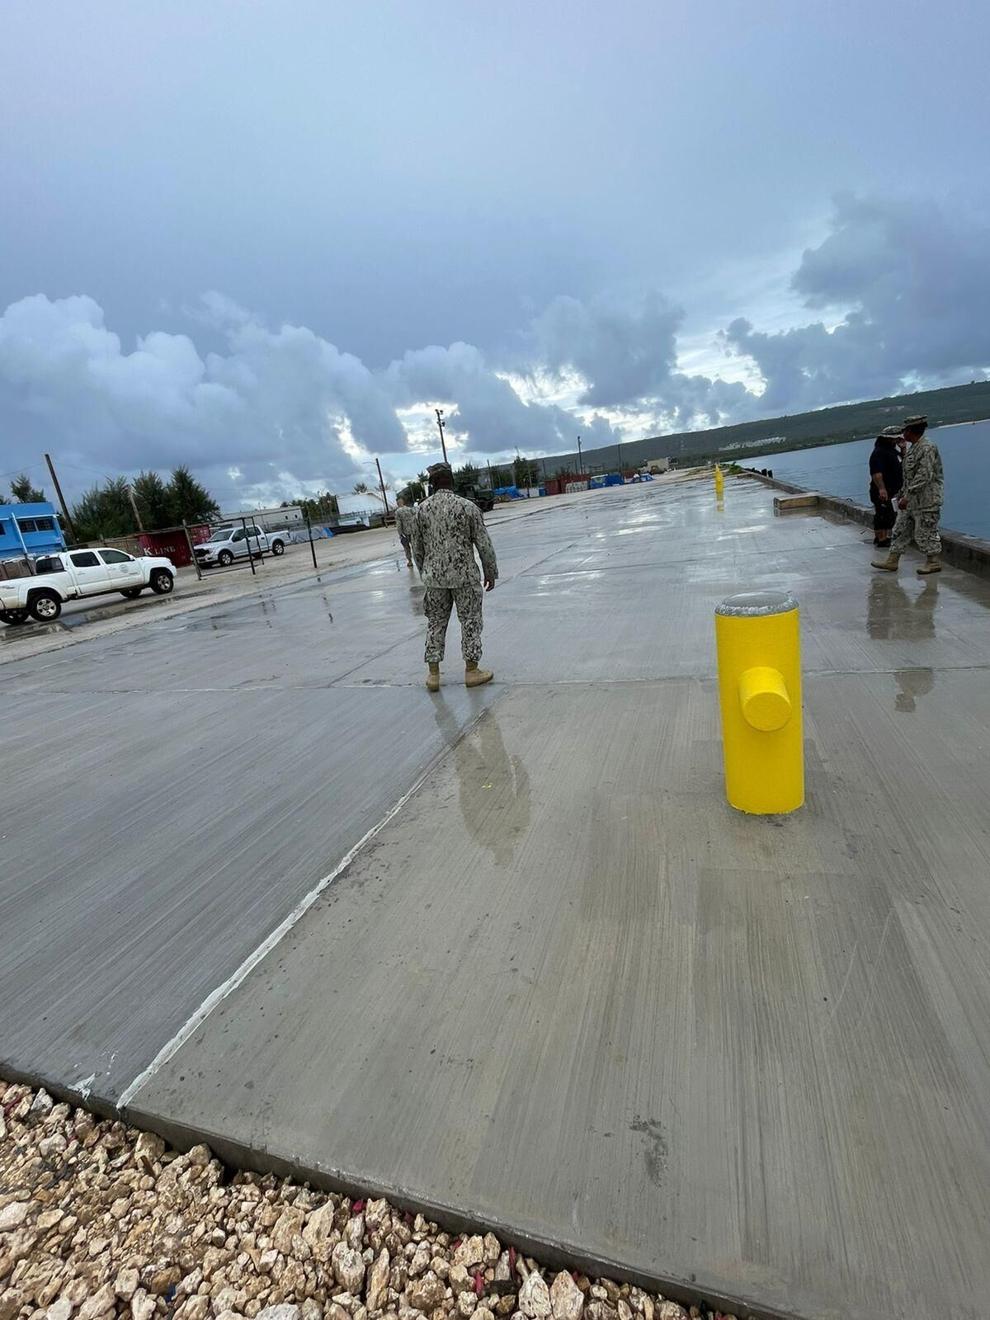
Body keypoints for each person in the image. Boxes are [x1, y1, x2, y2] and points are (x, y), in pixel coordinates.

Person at [411, 462, 498, 691]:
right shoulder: (467, 507)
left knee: (435, 623)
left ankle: (433, 675)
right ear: (452, 482)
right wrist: (490, 571)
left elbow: (416, 549)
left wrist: (426, 572)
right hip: (465, 578)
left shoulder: (420, 510)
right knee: (470, 621)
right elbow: (484, 544)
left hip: (435, 580)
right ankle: (471, 670)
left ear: (432, 484)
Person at [873, 416, 944, 575]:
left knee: (926, 531)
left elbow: (924, 475)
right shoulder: (914, 448)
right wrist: (901, 494)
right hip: (910, 501)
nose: (902, 433)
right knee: (900, 529)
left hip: (926, 500)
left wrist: (908, 495)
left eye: (904, 430)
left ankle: (933, 562)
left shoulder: (927, 448)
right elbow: (909, 476)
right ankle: (892, 560)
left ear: (910, 431)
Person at [868, 425, 903, 548]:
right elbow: (876, 473)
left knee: (890, 514)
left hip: (894, 489)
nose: (897, 440)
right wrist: (881, 488)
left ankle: (885, 536)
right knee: (882, 513)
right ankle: (881, 538)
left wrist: (903, 449)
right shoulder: (879, 453)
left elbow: (904, 462)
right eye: (895, 439)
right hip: (883, 489)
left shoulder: (893, 451)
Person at [394, 495, 417, 567]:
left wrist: (400, 534)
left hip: (405, 533)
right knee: (415, 546)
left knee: (407, 548)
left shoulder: (398, 512)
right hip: (413, 531)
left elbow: (399, 524)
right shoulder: (410, 509)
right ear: (403, 502)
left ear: (397, 503)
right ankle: (418, 559)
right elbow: (415, 517)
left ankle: (410, 561)